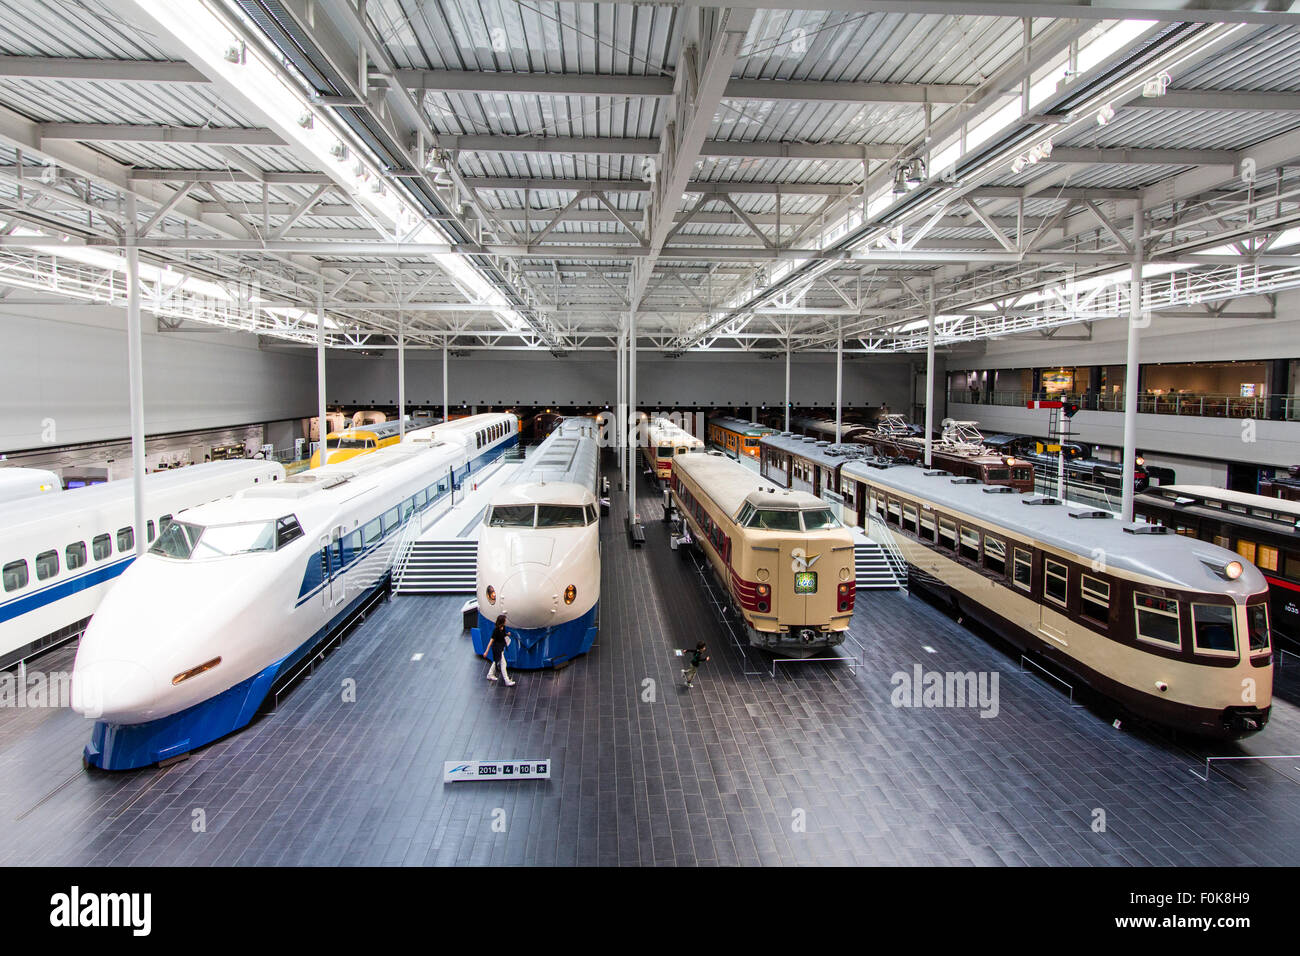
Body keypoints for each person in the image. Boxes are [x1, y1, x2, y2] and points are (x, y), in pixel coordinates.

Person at [483, 613, 516, 686]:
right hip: (497, 649)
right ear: (502, 621)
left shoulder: (503, 628)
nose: (506, 621)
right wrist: (486, 651)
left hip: (501, 647)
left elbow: (503, 635)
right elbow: (491, 641)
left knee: (496, 661)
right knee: (503, 664)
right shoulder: (496, 630)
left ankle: (490, 674)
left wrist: (507, 634)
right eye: (505, 620)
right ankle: (507, 681)